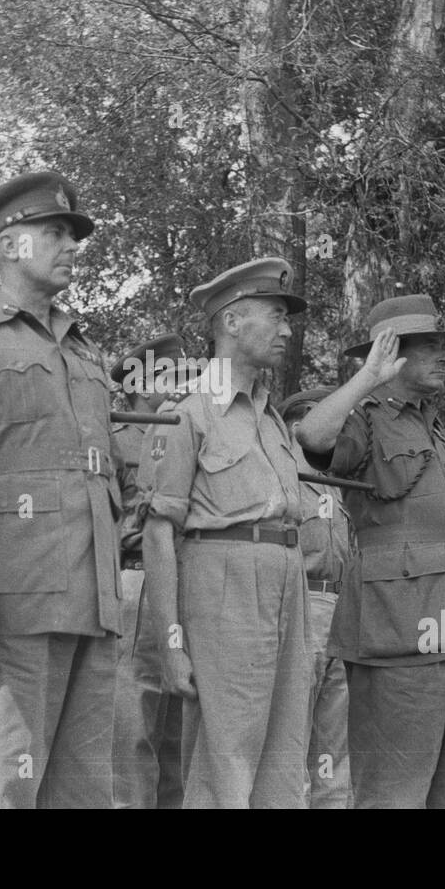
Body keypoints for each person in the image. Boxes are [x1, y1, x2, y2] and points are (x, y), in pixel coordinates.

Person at [0, 171, 120, 809]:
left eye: (72, 234)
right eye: (55, 232)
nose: (71, 246)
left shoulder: (86, 350)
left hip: (93, 599)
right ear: (8, 246)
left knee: (85, 791)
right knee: (4, 787)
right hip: (12, 600)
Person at [138, 256, 311, 808]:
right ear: (232, 322)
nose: (286, 329)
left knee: (284, 758)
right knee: (225, 762)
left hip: (287, 585)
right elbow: (159, 534)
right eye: (274, 314)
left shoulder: (271, 417)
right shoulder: (187, 415)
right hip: (224, 589)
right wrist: (171, 643)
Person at [296, 295, 445, 808]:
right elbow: (310, 434)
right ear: (391, 352)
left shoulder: (436, 427)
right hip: (398, 626)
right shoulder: (365, 418)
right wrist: (368, 378)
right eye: (429, 346)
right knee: (393, 790)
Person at [111, 333, 186, 809]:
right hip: (137, 579)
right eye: (165, 376)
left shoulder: (185, 431)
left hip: (183, 582)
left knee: (177, 724)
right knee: (133, 724)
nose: (176, 386)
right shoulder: (118, 436)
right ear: (136, 384)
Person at [281, 387, 355, 809]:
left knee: (333, 749)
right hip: (301, 606)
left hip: (340, 610)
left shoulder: (337, 485)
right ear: (298, 429)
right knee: (294, 741)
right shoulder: (284, 477)